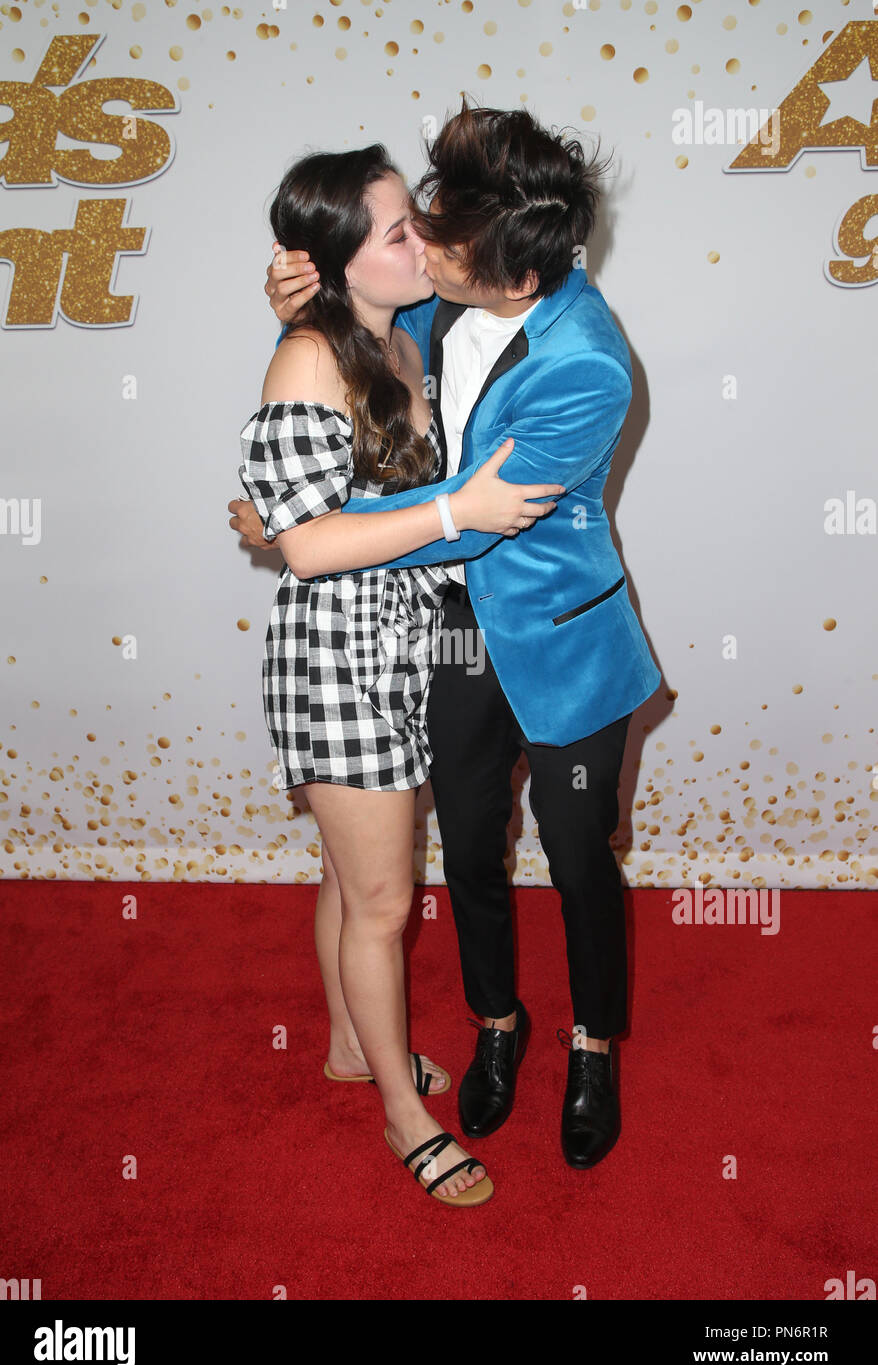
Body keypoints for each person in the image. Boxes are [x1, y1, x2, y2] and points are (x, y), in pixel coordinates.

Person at [244, 101, 662, 1171]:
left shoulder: (588, 364)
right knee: (469, 852)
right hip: (439, 644)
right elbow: (347, 367)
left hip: (558, 641)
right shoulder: (432, 304)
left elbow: (468, 522)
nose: (424, 243)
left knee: (578, 863)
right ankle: (497, 1022)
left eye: (441, 240)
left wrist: (305, 534)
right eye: (415, 225)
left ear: (511, 270)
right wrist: (314, 296)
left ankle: (591, 1041)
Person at [230, 143, 565, 1205]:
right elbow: (310, 545)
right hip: (337, 657)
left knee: (349, 876)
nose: (422, 239)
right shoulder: (309, 358)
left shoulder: (406, 340)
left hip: (405, 645)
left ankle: (344, 1044)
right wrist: (457, 513)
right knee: (385, 902)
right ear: (335, 267)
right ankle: (401, 1112)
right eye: (395, 232)